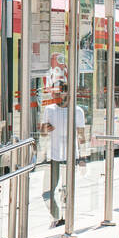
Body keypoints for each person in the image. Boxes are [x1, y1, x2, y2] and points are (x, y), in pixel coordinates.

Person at [40, 80, 87, 228]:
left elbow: (81, 136)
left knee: (67, 191)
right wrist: (46, 129)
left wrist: (83, 158)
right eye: (57, 92)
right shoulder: (49, 109)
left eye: (63, 91)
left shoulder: (77, 111)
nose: (60, 95)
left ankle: (65, 219)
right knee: (47, 192)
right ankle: (56, 216)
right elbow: (42, 133)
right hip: (53, 156)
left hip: (70, 156)